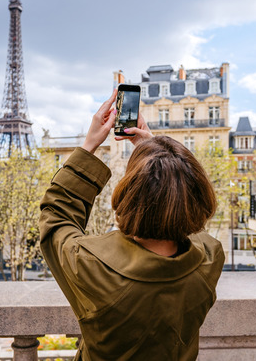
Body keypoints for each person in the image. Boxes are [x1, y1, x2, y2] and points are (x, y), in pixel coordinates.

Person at [39, 89, 224, 360]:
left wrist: (88, 147)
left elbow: (56, 219)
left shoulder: (92, 265)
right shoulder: (209, 258)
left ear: (131, 194)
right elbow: (188, 215)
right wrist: (156, 152)